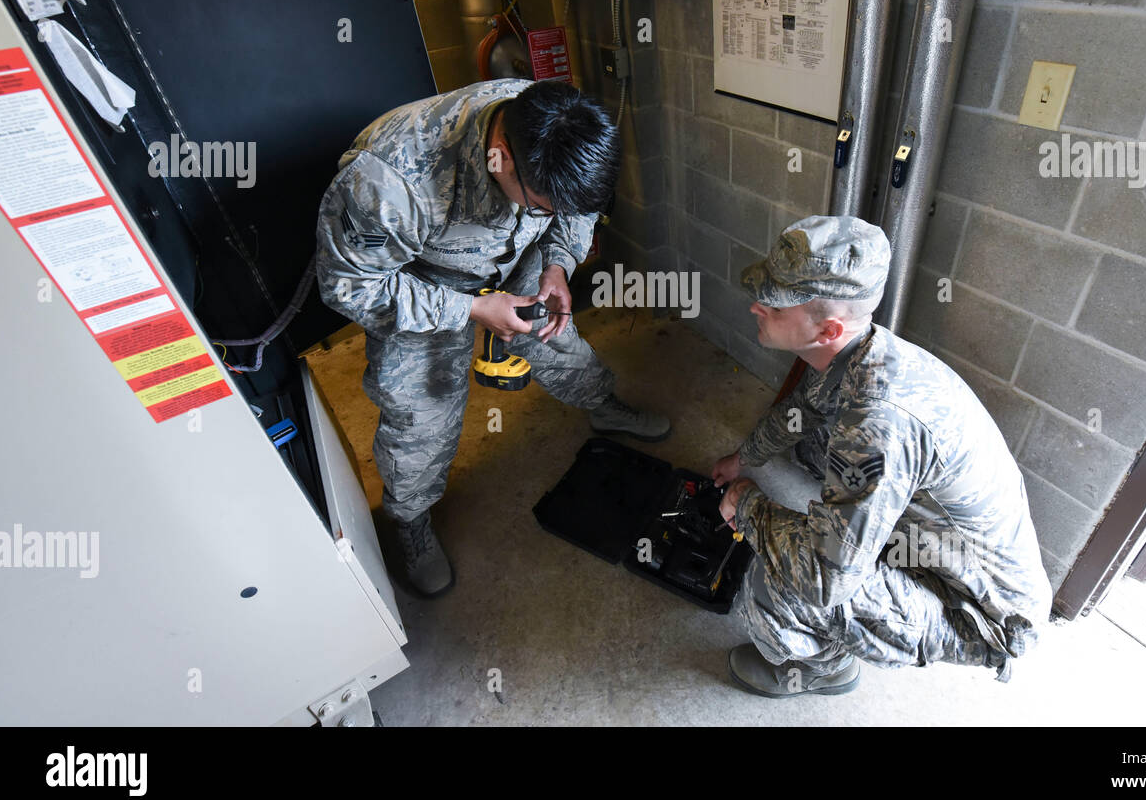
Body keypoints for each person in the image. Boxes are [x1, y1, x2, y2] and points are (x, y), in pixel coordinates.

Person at [315, 79, 669, 597]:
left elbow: (578, 206)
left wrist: (558, 263)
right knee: (422, 409)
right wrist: (472, 308)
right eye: (544, 206)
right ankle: (410, 519)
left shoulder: (561, 124)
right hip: (423, 285)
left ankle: (603, 404)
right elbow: (349, 287)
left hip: (518, 256)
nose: (555, 213)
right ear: (500, 159)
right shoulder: (388, 183)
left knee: (556, 334)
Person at [711, 215, 1052, 697]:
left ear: (826, 329)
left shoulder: (878, 421)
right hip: (934, 546)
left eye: (775, 305)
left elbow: (822, 580)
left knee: (781, 575)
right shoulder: (857, 353)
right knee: (814, 483)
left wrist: (745, 502)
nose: (756, 307)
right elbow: (802, 410)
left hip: (980, 611)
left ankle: (822, 670)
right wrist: (743, 459)